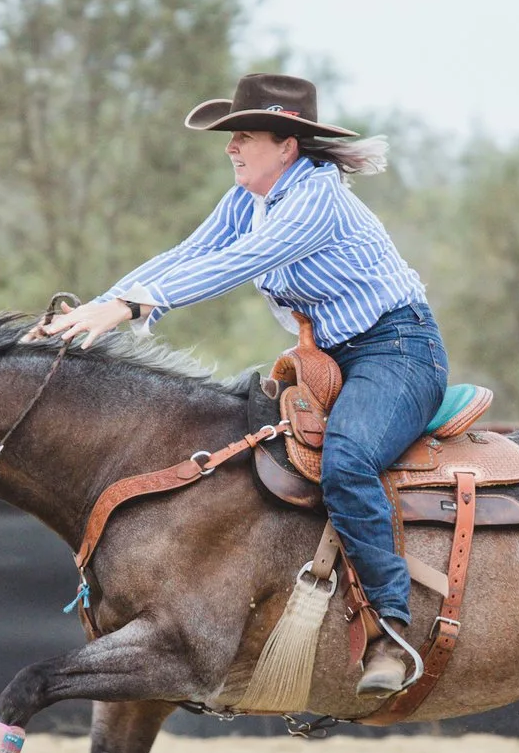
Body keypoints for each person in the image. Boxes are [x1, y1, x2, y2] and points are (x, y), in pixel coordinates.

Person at [30, 73, 446, 696]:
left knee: (348, 460)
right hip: (334, 356)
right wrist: (95, 308)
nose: (231, 147)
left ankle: (390, 627)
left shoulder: (316, 198)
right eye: (231, 137)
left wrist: (126, 310)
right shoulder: (249, 200)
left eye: (244, 135)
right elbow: (186, 254)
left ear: (287, 146)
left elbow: (238, 263)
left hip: (399, 351)